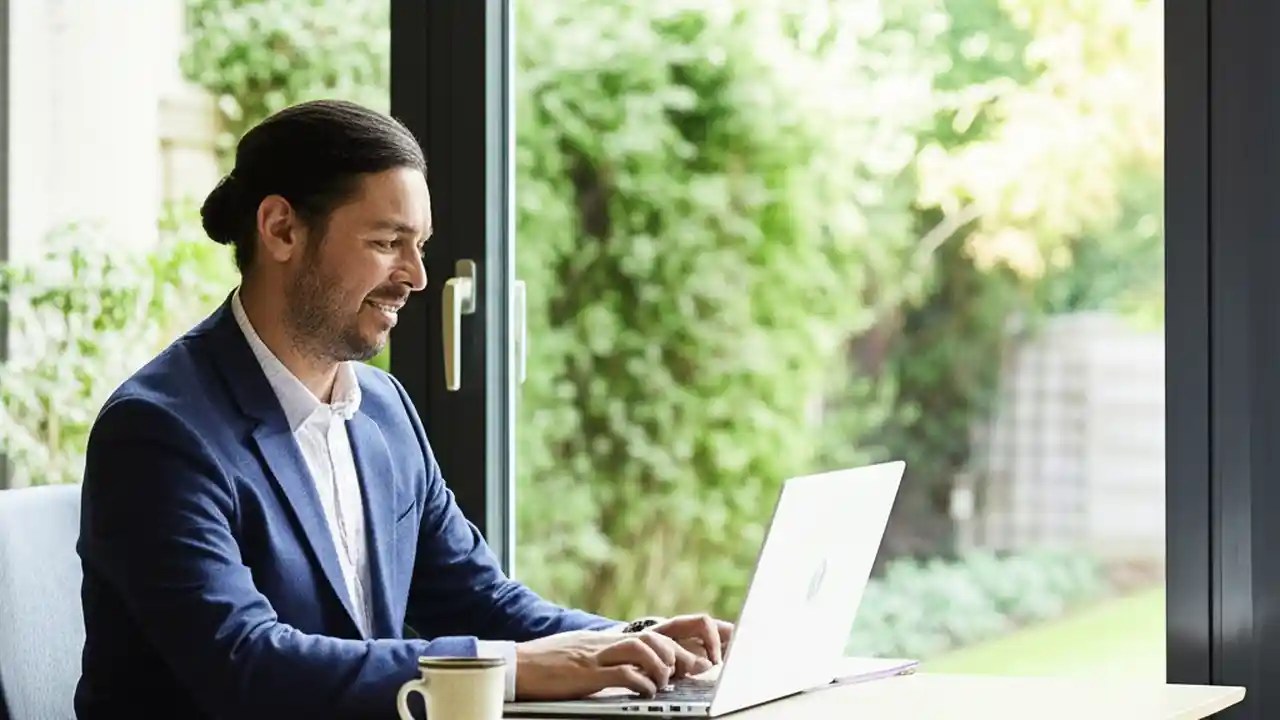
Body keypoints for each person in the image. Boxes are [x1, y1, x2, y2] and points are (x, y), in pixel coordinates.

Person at [74, 99, 734, 719]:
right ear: (281, 230)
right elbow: (245, 663)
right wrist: (505, 670)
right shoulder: (159, 432)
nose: (416, 276)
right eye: (388, 242)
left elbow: (480, 601)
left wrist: (636, 641)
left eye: (419, 245)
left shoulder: (382, 410)